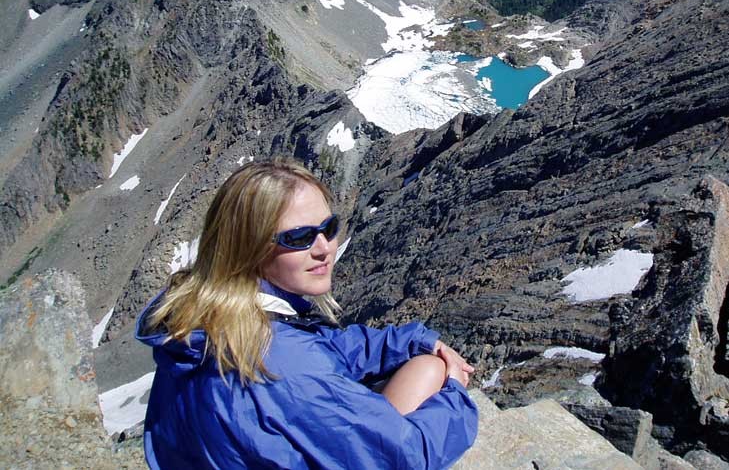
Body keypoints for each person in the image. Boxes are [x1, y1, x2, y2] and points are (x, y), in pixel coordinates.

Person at [136, 157, 478, 469]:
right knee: (432, 374)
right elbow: (407, 456)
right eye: (299, 237)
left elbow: (328, 347)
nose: (324, 248)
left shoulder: (210, 320)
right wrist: (454, 393)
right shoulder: (283, 365)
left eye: (328, 229)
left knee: (427, 363)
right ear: (250, 246)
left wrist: (415, 341)